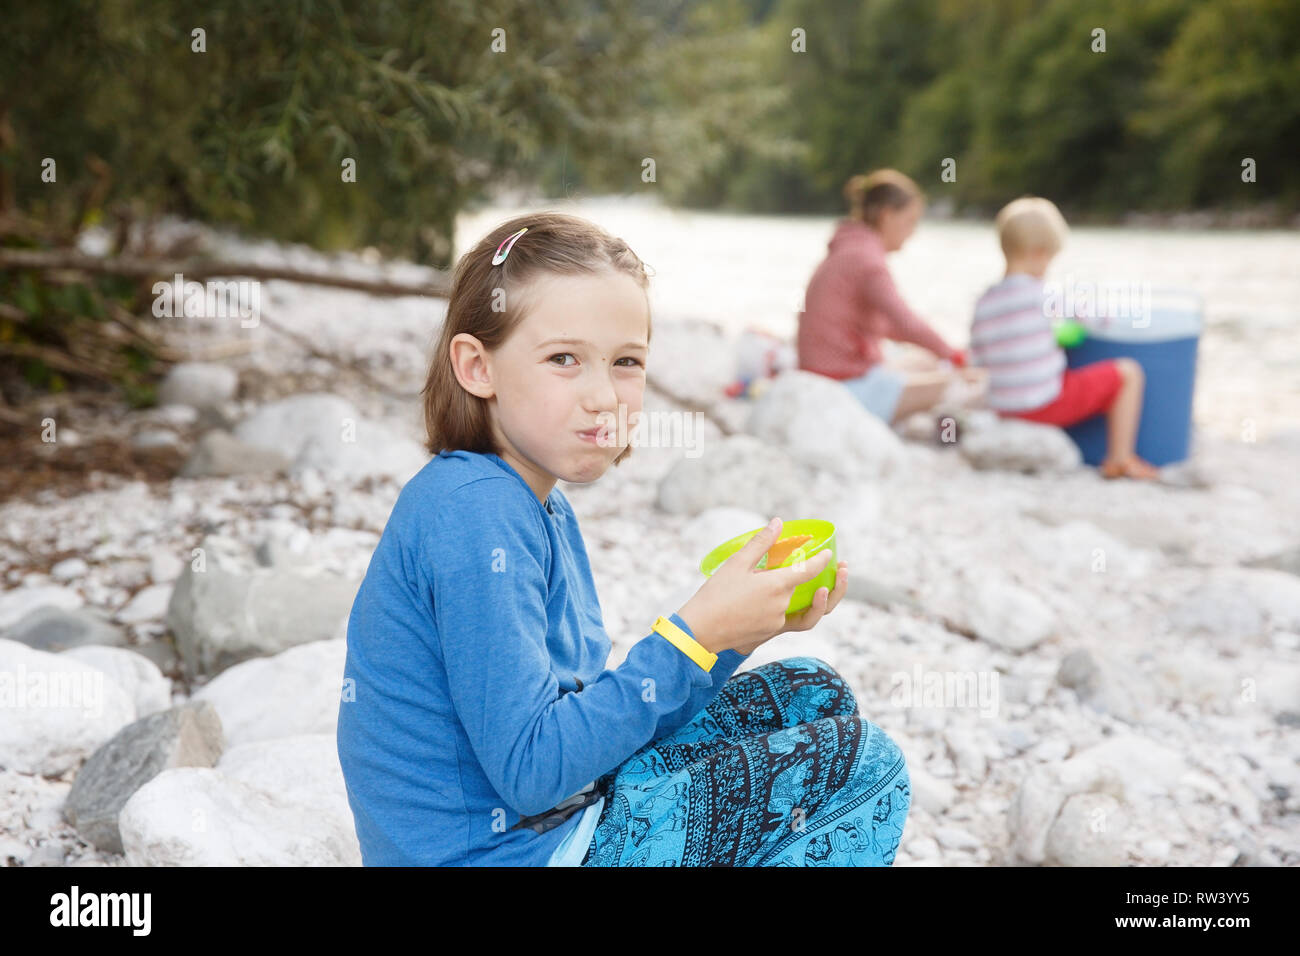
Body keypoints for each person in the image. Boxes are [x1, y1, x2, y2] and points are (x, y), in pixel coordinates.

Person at [335, 211, 912, 866]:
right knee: (867, 766)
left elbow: (591, 728)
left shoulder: (536, 503)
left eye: (626, 362)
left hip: (557, 819)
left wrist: (732, 635)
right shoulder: (475, 512)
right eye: (564, 359)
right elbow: (533, 771)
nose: (604, 395)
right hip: (508, 851)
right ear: (477, 367)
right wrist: (691, 635)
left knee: (811, 693)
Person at [970, 197, 1159, 480]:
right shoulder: (1045, 294)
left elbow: (977, 359)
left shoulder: (985, 302)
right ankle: (1120, 459)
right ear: (1039, 253)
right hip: (1045, 404)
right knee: (1128, 373)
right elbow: (1098, 318)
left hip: (1003, 407)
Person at [797, 168, 980, 424]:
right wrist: (955, 356)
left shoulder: (850, 247)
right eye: (909, 222)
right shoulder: (866, 260)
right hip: (844, 388)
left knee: (927, 361)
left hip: (824, 378)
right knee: (960, 382)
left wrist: (943, 353)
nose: (912, 232)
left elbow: (891, 326)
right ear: (886, 216)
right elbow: (905, 321)